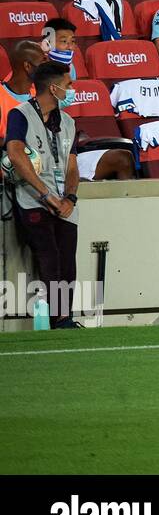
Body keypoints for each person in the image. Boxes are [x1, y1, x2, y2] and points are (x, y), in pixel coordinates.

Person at [5, 61, 80, 328]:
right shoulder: (21, 115)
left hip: (64, 202)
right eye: (68, 85)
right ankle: (58, 319)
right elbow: (14, 153)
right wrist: (46, 194)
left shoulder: (69, 122)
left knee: (67, 262)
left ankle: (64, 317)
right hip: (33, 199)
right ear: (54, 87)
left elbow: (72, 165)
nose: (72, 90)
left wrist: (70, 198)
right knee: (49, 258)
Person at [0, 40, 42, 123]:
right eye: (43, 62)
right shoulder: (1, 98)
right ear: (28, 66)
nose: (48, 67)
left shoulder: (40, 93)